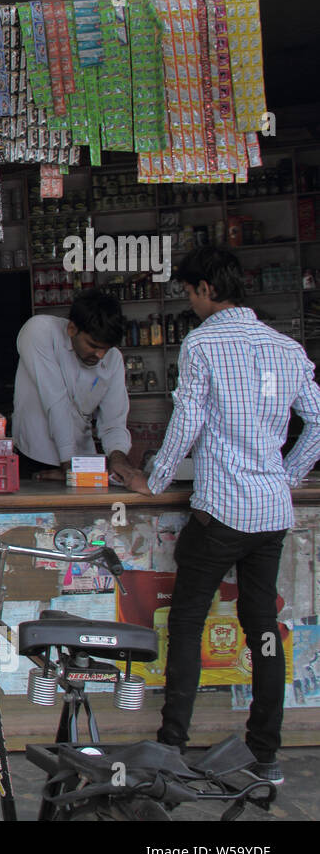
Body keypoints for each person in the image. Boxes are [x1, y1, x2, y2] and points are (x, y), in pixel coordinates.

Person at [123, 247, 320, 785]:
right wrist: (286, 476)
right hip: (271, 515)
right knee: (261, 628)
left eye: (188, 291)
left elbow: (187, 420)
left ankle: (172, 745)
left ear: (207, 288)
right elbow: (318, 421)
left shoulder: (203, 343)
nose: (188, 301)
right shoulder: (286, 347)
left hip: (223, 511)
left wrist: (152, 480)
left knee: (186, 621)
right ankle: (266, 754)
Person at [12, 289, 141, 481]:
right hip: (34, 456)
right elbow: (56, 400)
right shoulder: (39, 332)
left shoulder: (113, 359)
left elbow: (114, 422)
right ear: (72, 329)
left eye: (106, 348)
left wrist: (118, 457)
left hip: (81, 461)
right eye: (93, 345)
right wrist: (69, 466)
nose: (100, 355)